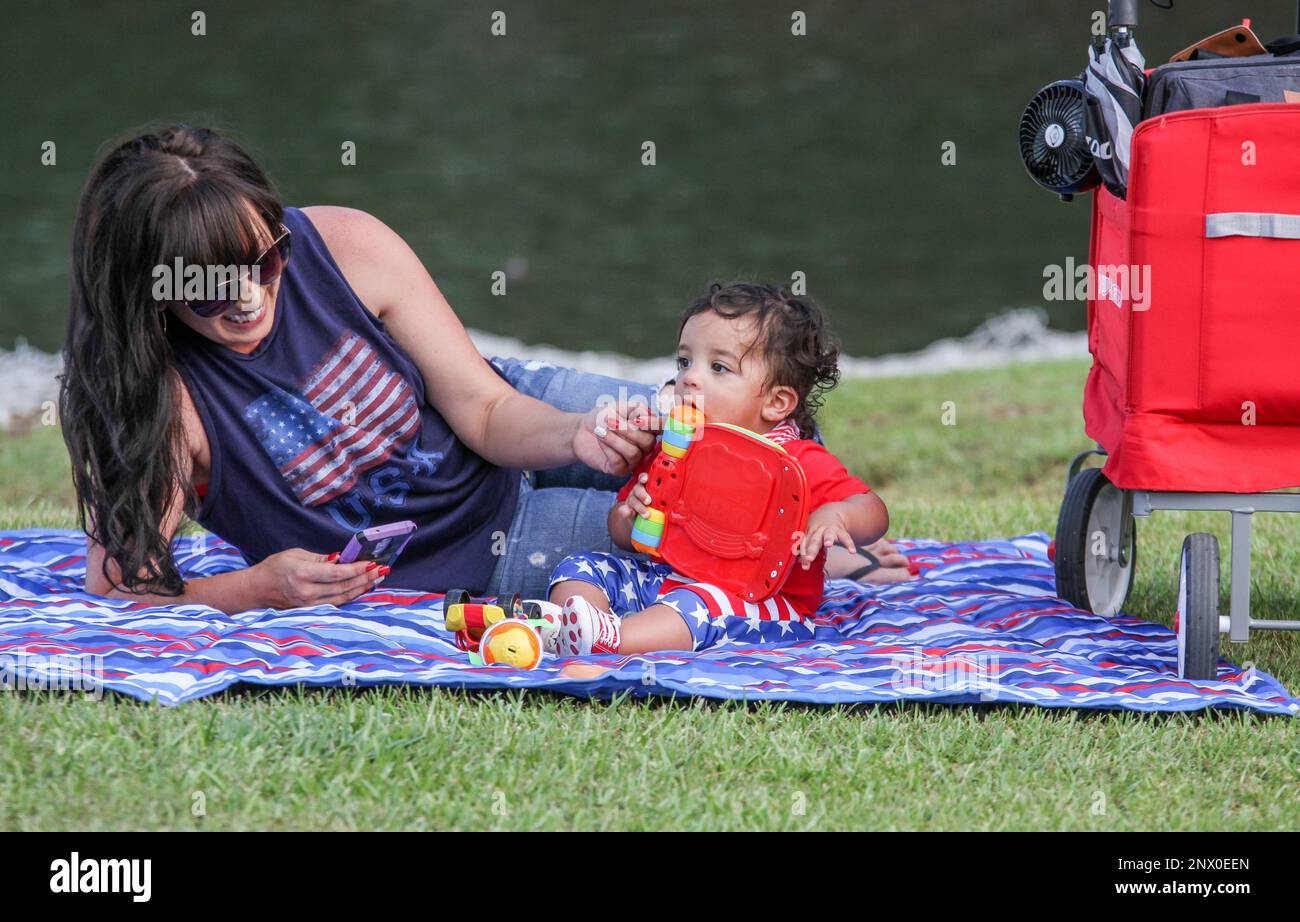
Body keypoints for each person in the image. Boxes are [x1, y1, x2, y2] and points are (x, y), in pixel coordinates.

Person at [61, 124, 658, 613]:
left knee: (707, 425)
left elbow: (486, 408)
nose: (248, 297)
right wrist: (257, 589)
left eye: (264, 263)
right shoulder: (164, 404)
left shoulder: (347, 245)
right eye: (211, 288)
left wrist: (576, 432)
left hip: (513, 411)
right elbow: (119, 589)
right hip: (481, 547)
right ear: (151, 292)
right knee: (707, 538)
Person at [547, 283, 889, 655]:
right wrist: (630, 516)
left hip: (761, 604)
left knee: (698, 607)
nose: (689, 378)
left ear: (776, 402)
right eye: (684, 362)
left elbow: (873, 511)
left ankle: (613, 640)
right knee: (583, 566)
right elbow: (623, 533)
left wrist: (836, 514)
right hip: (670, 579)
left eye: (718, 367)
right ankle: (577, 623)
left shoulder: (796, 462)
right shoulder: (676, 447)